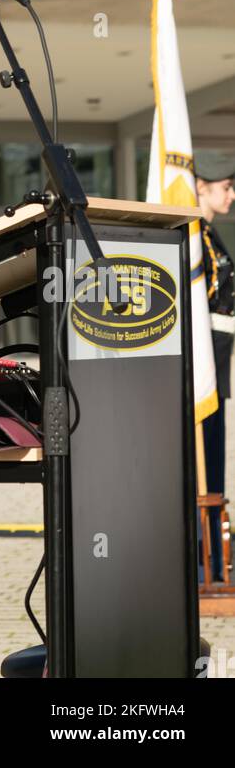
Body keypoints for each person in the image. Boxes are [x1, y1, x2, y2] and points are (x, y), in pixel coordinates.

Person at [195, 151, 235, 583]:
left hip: (216, 367)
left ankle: (213, 554)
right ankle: (203, 556)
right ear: (201, 185)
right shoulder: (192, 237)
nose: (232, 193)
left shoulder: (209, 234)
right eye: (226, 186)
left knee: (216, 461)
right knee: (204, 459)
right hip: (201, 370)